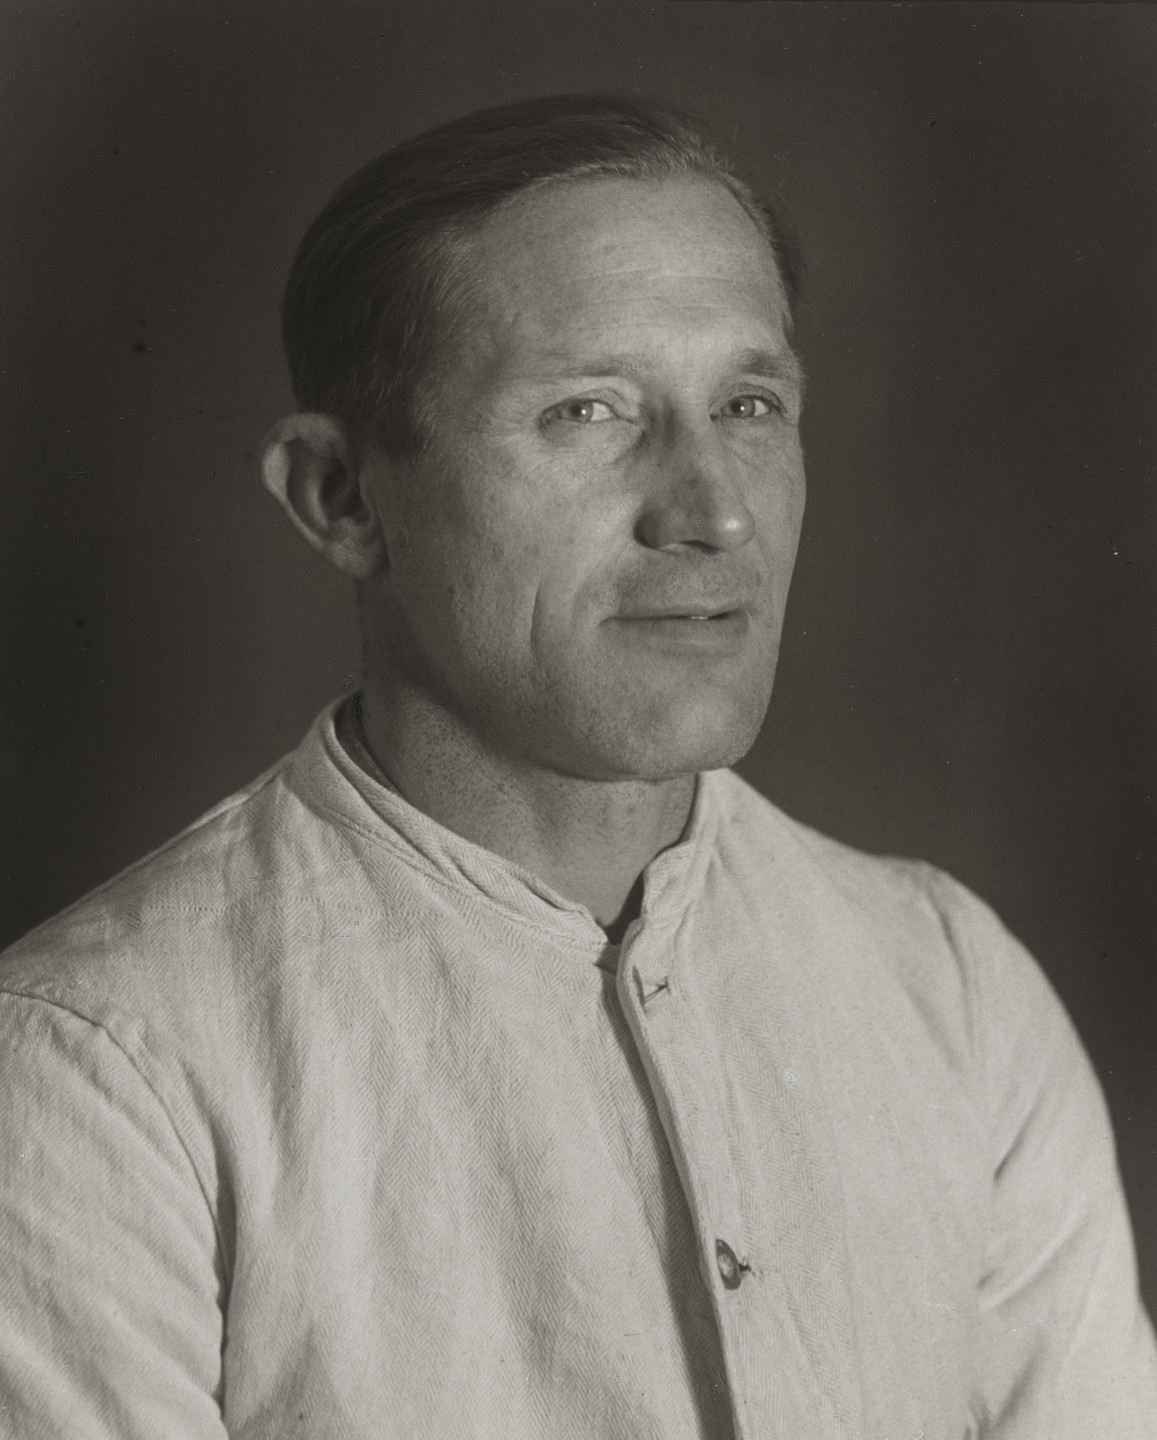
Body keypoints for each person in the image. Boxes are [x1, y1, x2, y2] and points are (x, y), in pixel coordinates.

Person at [0, 93, 1153, 1440]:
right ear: (341, 497)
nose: (713, 511)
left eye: (749, 403)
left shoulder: (953, 987)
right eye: (587, 410)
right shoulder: (93, 1074)